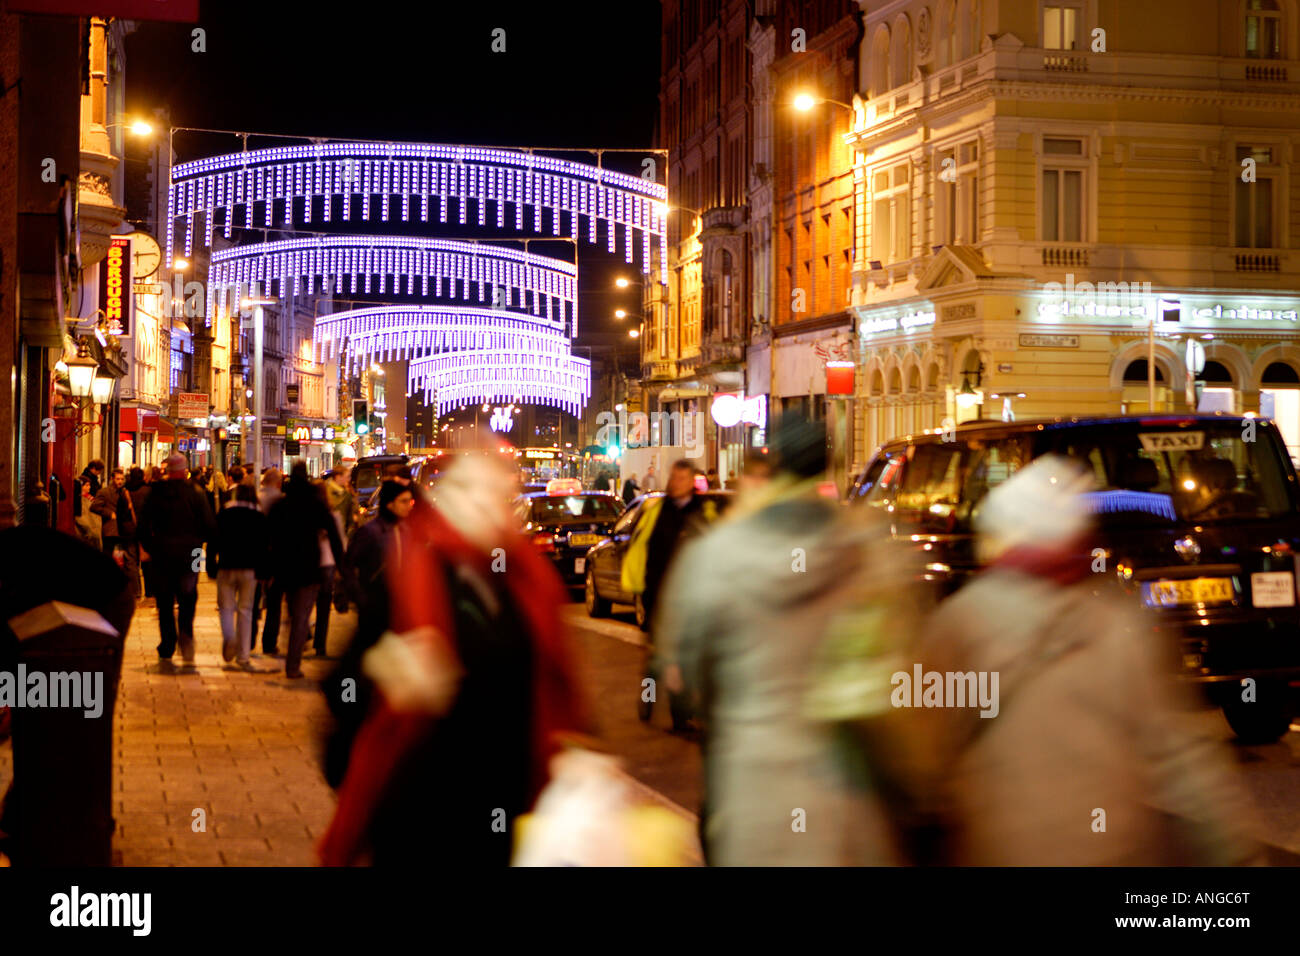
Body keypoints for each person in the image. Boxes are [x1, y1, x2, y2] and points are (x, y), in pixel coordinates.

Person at [909, 456, 1257, 865]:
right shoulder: (1116, 628)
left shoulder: (962, 624)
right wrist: (1237, 853)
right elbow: (1180, 760)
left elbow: (920, 754)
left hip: (1002, 850)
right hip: (1109, 850)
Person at [654, 415, 911, 865]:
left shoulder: (718, 554)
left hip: (755, 787)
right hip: (846, 796)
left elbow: (684, 667)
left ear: (769, 470)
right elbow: (895, 670)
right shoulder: (868, 551)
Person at [317, 452, 590, 866]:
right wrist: (383, 675)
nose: (485, 505)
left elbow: (557, 686)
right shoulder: (409, 581)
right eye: (471, 490)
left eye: (497, 493)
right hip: (422, 818)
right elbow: (343, 692)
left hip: (506, 813)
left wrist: (577, 753)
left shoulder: (523, 583)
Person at [322, 480, 416, 789]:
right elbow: (349, 565)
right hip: (374, 612)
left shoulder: (409, 532)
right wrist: (354, 596)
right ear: (389, 504)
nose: (409, 506)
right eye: (403, 501)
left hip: (400, 615)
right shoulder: (371, 533)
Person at [266, 462, 344, 679]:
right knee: (301, 616)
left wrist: (266, 568)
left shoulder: (280, 505)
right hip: (308, 567)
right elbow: (334, 536)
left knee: (292, 612)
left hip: (284, 567)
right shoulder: (315, 505)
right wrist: (341, 565)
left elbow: (267, 537)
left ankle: (291, 647)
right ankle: (293, 664)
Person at [137, 453, 217, 663]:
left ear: (168, 471)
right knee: (189, 595)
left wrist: (150, 547)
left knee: (164, 600)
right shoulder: (196, 493)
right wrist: (206, 553)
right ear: (185, 470)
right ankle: (186, 634)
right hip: (192, 552)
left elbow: (143, 525)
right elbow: (209, 525)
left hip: (162, 552)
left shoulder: (156, 493)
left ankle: (168, 642)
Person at [213, 483, 270, 669]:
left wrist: (210, 566)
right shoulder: (259, 516)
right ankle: (243, 655)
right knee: (246, 610)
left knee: (226, 607)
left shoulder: (224, 513)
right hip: (250, 569)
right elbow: (264, 546)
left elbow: (214, 539)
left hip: (226, 566)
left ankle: (229, 637)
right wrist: (264, 572)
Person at [255, 467, 286, 651]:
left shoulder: (255, 498)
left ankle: (250, 638)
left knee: (254, 599)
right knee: (275, 602)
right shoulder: (281, 500)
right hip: (275, 555)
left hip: (255, 555)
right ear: (278, 483)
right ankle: (269, 641)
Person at [116, 467, 144, 601]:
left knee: (131, 562)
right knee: (147, 562)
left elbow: (120, 514)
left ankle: (136, 590)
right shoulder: (148, 491)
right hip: (145, 532)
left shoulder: (124, 492)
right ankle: (151, 591)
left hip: (129, 532)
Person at [90, 467, 125, 556]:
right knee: (108, 553)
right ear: (112, 479)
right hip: (110, 530)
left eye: (122, 479)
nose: (120, 481)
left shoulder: (124, 492)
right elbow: (94, 507)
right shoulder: (104, 492)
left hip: (122, 531)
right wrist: (109, 513)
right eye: (118, 479)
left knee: (119, 556)